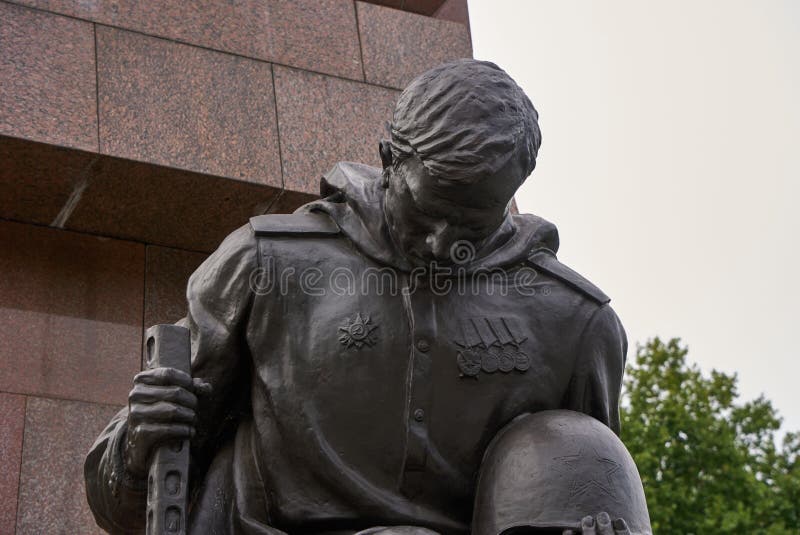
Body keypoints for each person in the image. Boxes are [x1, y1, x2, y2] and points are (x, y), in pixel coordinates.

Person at [85, 59, 628, 534]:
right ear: (389, 159)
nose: (442, 243)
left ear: (514, 191)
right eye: (426, 209)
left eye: (471, 223)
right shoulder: (266, 264)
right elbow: (126, 507)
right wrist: (140, 446)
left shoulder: (574, 323)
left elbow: (585, 487)